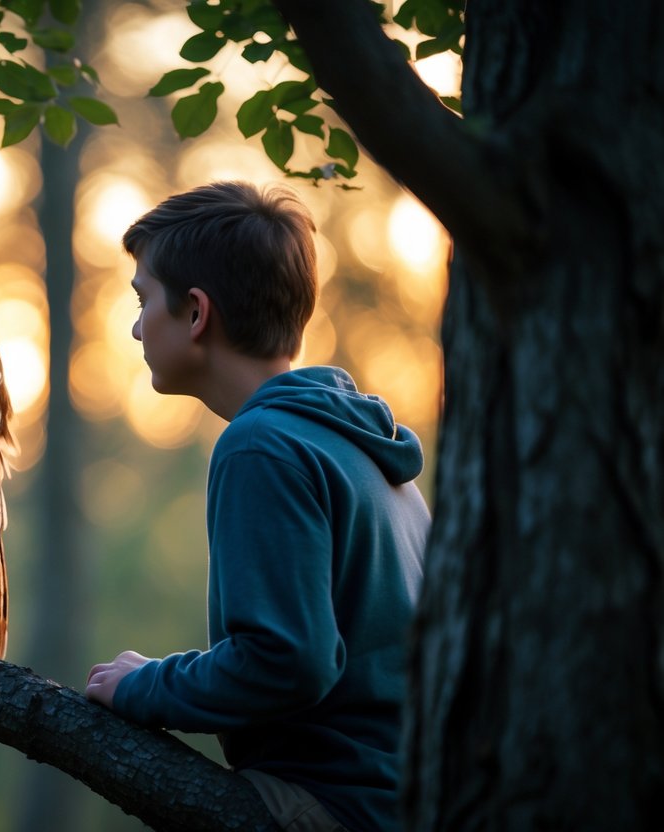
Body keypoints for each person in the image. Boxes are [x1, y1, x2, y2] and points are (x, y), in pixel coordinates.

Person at [84, 182, 429, 832]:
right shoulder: (362, 450)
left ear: (195, 313)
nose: (134, 325)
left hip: (338, 804)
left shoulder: (261, 447)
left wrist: (144, 686)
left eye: (142, 299)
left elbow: (286, 662)